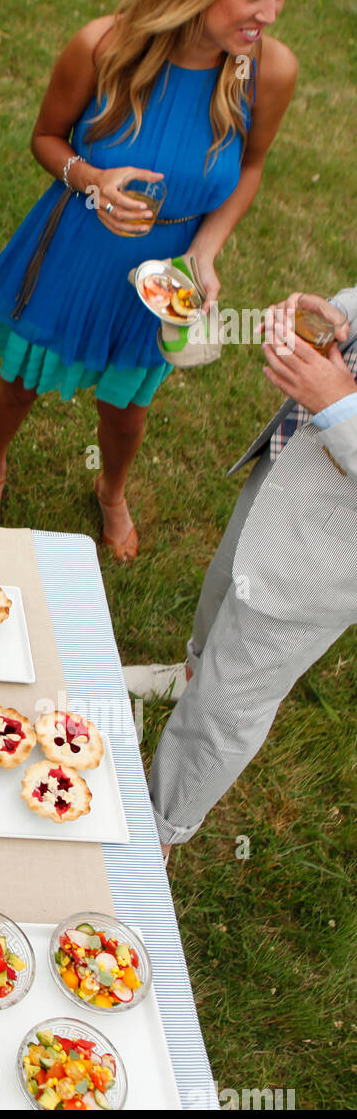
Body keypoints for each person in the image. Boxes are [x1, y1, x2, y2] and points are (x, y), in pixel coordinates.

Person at [0, 0, 304, 558]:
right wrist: (89, 180)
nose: (268, 15)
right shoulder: (102, 45)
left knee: (127, 405)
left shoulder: (268, 72)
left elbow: (251, 168)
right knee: (19, 378)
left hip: (166, 264)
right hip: (75, 243)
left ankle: (111, 491)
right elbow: (45, 139)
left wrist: (204, 251)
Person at [148, 288, 357, 853]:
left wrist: (341, 404)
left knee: (231, 700)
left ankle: (157, 833)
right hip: (294, 466)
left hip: (331, 553)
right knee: (222, 592)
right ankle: (188, 675)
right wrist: (340, 315)